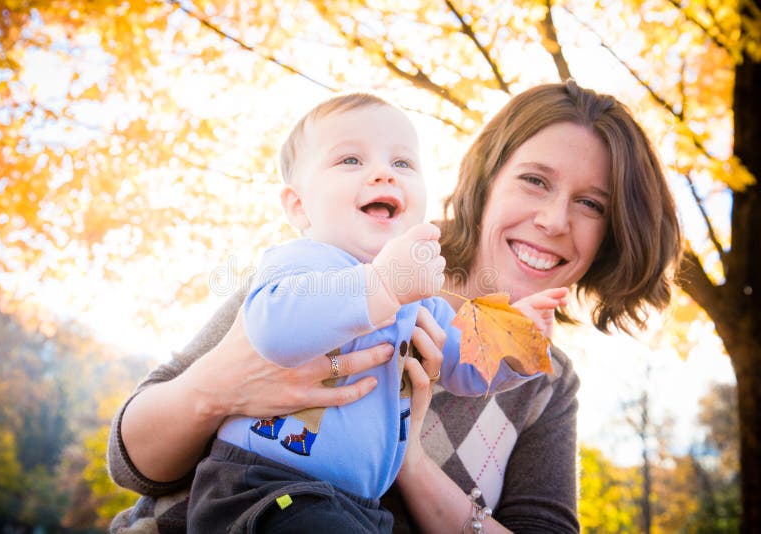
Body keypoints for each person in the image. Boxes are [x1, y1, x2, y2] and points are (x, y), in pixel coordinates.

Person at [107, 80, 681, 533]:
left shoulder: (546, 384)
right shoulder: (336, 264)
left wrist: (408, 457)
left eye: (590, 204)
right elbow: (130, 462)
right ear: (486, 178)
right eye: (534, 180)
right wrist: (220, 388)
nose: (555, 220)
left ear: (614, 232)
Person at [186, 93, 565, 533]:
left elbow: (466, 369)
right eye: (350, 160)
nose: (383, 172)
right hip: (261, 484)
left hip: (358, 503)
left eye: (403, 163)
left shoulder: (422, 299)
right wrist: (380, 286)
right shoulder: (301, 263)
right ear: (298, 206)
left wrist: (516, 343)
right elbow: (273, 331)